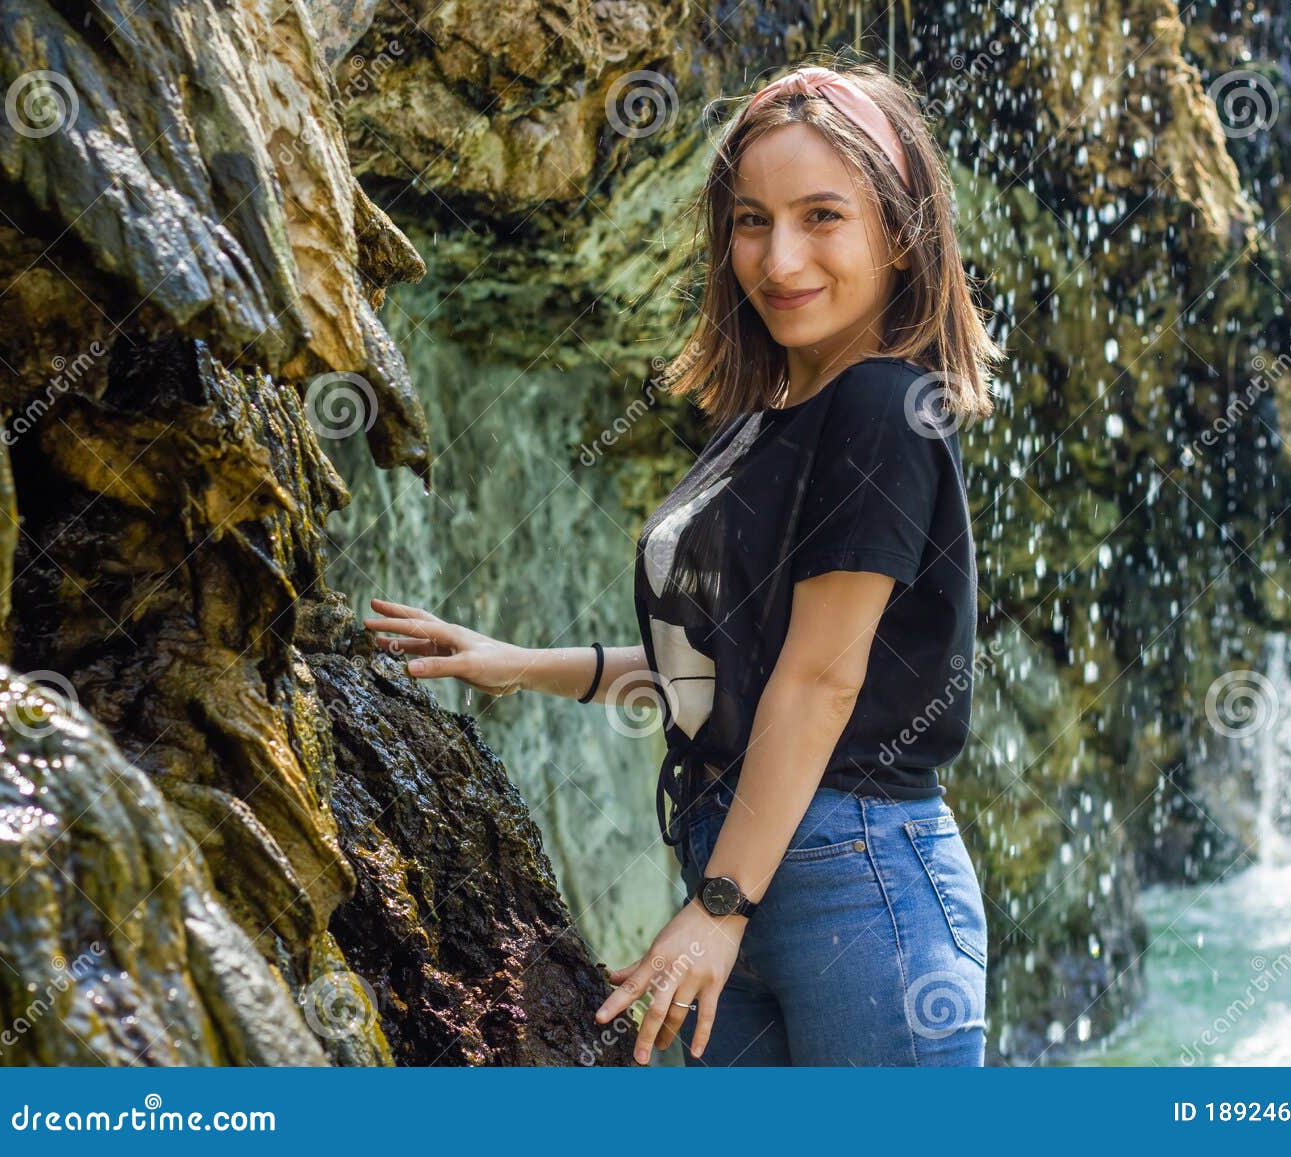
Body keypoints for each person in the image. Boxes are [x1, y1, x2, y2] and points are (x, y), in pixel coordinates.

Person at [363, 55, 1004, 1066]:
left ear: (901, 225)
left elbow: (822, 678)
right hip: (750, 870)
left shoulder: (886, 404)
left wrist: (717, 904)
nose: (779, 255)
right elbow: (726, 664)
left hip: (851, 881)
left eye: (822, 215)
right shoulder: (766, 422)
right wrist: (519, 661)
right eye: (752, 220)